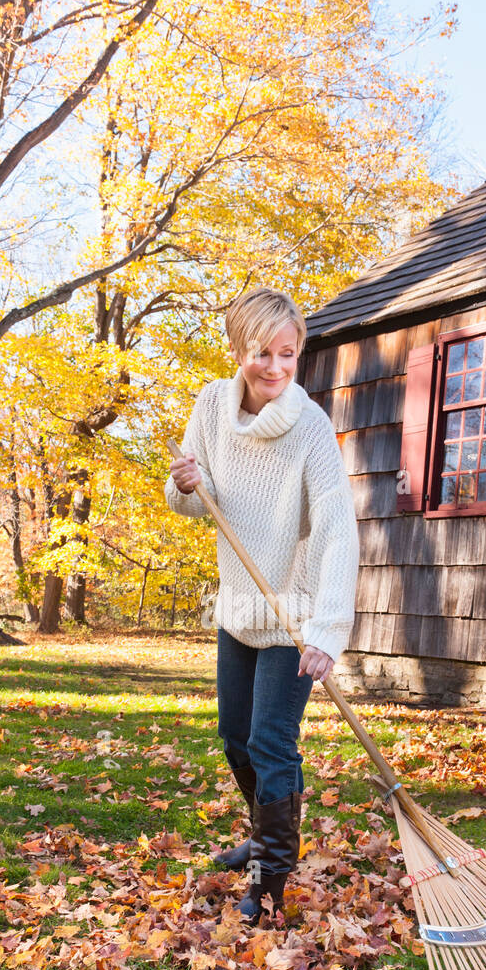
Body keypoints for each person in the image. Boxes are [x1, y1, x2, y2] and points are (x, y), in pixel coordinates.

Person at [164, 285, 359, 921]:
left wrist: (326, 630)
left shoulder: (311, 428)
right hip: (240, 607)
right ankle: (264, 829)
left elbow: (336, 530)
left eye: (288, 354)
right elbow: (198, 502)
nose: (274, 367)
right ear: (236, 349)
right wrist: (185, 483)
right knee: (234, 738)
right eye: (261, 353)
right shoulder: (212, 405)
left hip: (294, 615)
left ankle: (270, 875)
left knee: (272, 741)